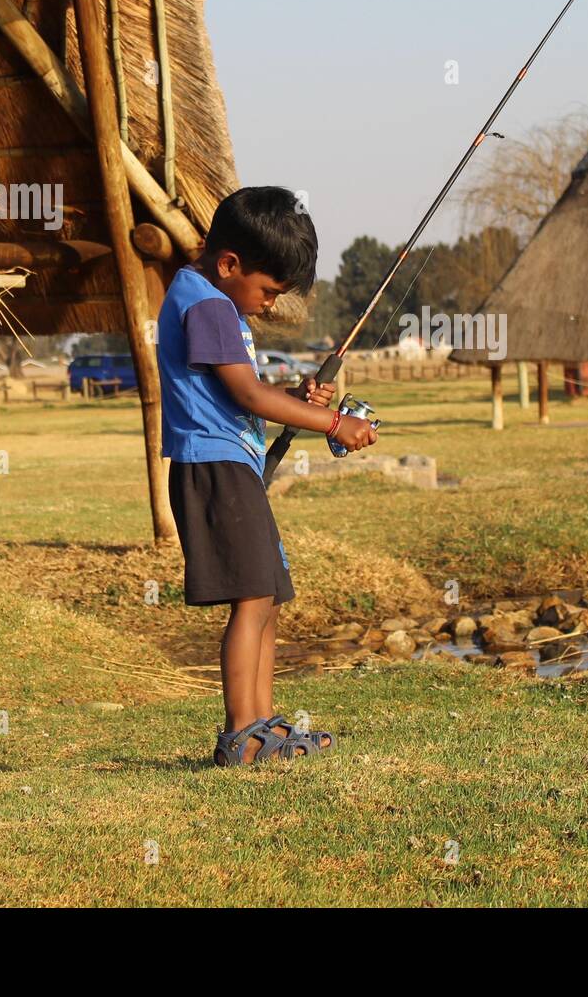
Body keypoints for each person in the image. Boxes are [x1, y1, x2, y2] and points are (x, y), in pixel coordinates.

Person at [156, 187, 378, 766]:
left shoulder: (210, 298)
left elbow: (239, 397)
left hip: (231, 461)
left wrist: (295, 398)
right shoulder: (207, 305)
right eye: (268, 292)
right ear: (230, 264)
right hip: (214, 467)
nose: (267, 304)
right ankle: (241, 734)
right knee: (251, 597)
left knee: (270, 595)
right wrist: (331, 421)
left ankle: (263, 725)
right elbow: (248, 391)